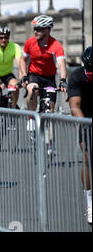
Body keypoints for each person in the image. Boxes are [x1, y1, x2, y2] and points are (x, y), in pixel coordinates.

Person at [19, 15, 67, 113]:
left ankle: (48, 126)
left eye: (38, 29)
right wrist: (24, 75)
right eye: (34, 29)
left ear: (47, 30)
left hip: (49, 78)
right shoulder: (30, 42)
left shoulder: (56, 45)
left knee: (50, 109)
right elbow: (22, 60)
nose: (35, 31)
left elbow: (61, 64)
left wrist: (63, 80)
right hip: (34, 75)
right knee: (33, 89)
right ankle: (31, 117)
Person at [67, 46, 92, 224]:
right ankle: (90, 201)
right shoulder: (76, 76)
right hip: (86, 117)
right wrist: (86, 124)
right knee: (88, 158)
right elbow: (74, 106)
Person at [0, 25, 23, 108]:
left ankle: (13, 106)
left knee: (15, 85)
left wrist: (21, 78)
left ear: (9, 37)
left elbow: (20, 63)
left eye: (6, 38)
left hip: (7, 74)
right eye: (1, 38)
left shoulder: (15, 47)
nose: (3, 40)